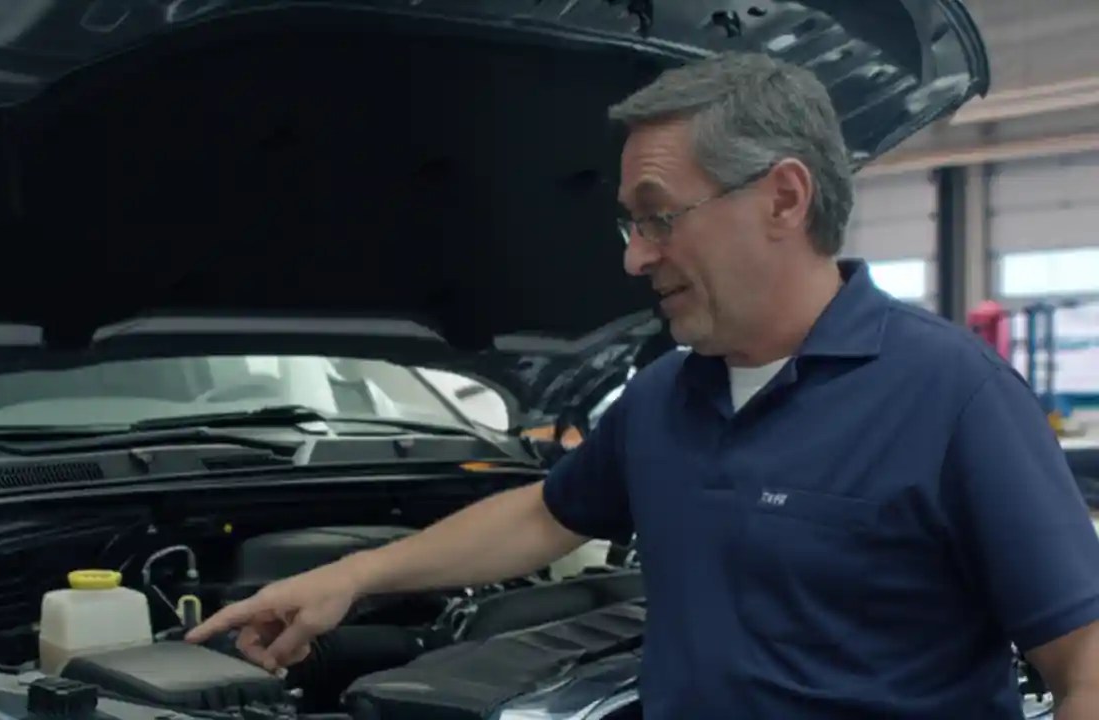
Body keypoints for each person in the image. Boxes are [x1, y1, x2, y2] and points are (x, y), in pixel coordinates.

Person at [187, 52, 1099, 719]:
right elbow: (547, 515)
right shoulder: (667, 394)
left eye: (661, 219)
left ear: (784, 198)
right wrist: (350, 578)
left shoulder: (955, 397)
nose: (635, 257)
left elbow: (1083, 667)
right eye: (628, 224)